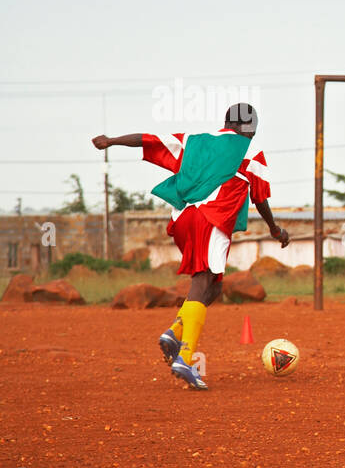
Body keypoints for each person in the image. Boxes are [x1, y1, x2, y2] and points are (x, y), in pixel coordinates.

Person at [92, 103, 289, 390]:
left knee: (214, 286)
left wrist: (110, 141)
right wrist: (275, 229)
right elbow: (260, 197)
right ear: (251, 129)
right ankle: (184, 358)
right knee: (202, 280)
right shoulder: (250, 151)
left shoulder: (193, 141)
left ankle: (174, 333)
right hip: (210, 218)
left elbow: (147, 139)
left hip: (182, 218)